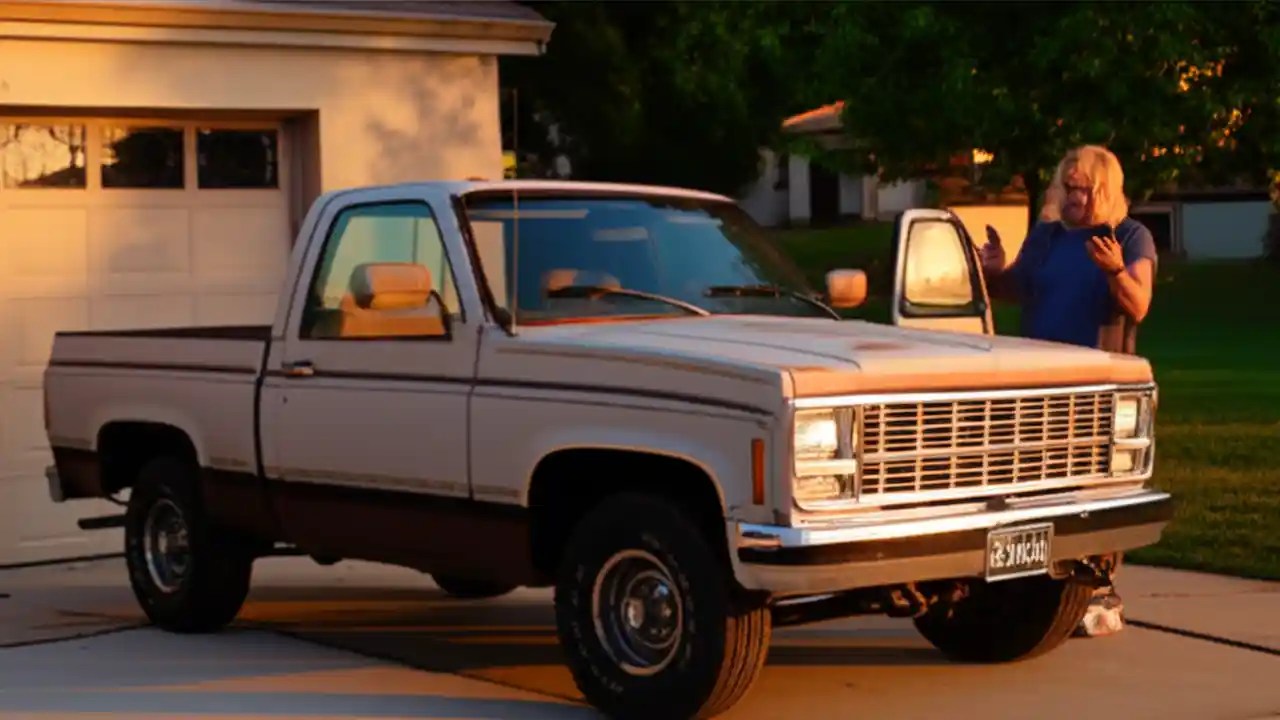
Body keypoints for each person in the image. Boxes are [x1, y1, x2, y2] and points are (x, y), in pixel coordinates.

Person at [980, 145, 1157, 638]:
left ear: (1106, 189)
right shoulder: (1047, 236)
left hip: (1100, 387)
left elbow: (1139, 304)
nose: (1073, 197)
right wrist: (994, 271)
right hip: (1037, 384)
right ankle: (1040, 593)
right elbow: (1017, 289)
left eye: (1083, 188)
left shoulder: (1130, 237)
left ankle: (1098, 593)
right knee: (1036, 487)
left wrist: (1114, 270)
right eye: (1067, 186)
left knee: (1093, 491)